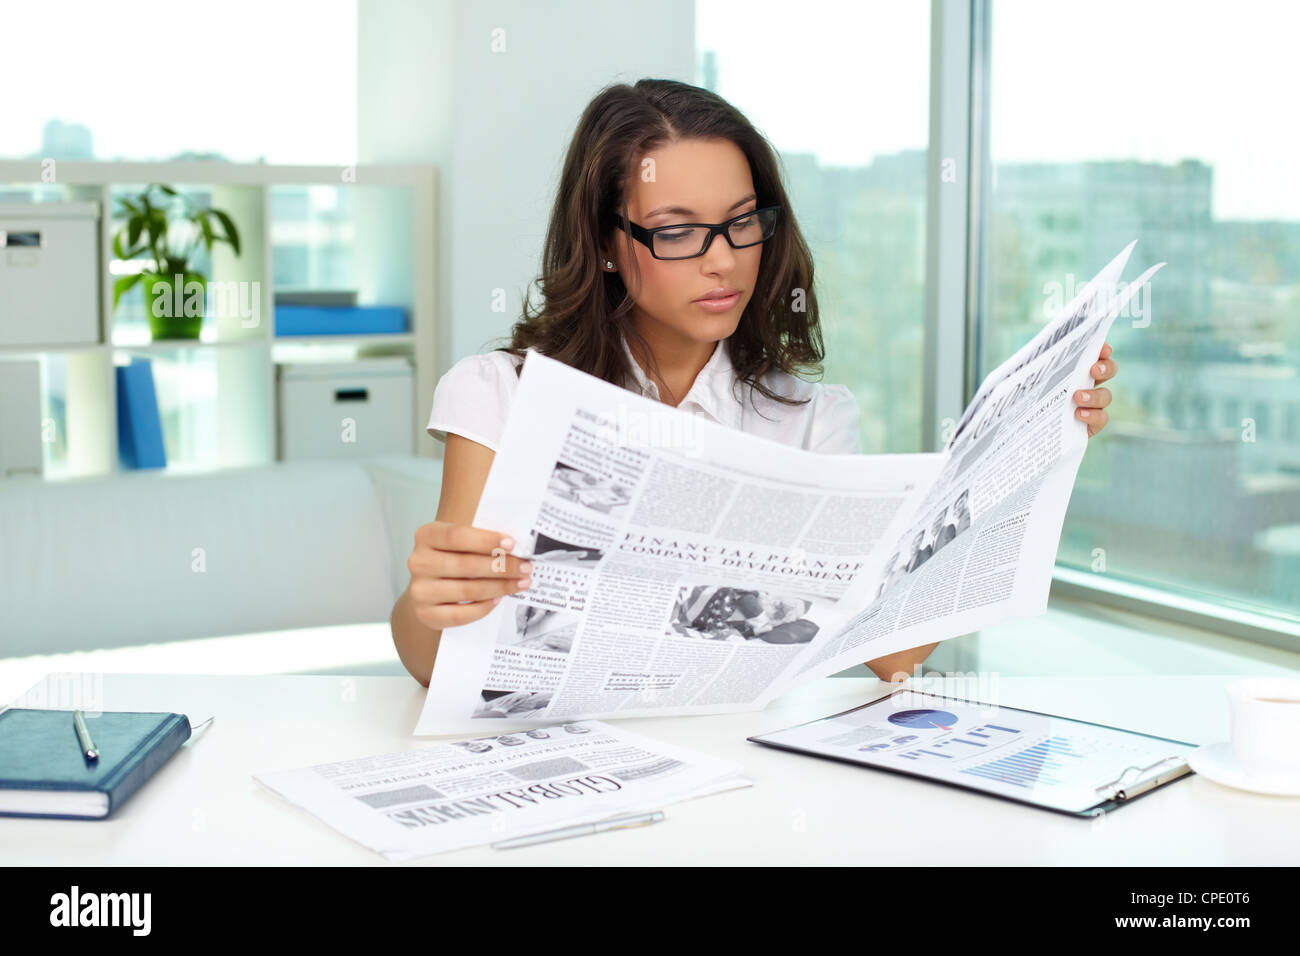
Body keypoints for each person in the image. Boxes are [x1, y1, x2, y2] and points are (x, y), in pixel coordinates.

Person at [391, 78, 1121, 687]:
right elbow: (433, 664)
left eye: (744, 223)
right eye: (677, 232)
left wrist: (1028, 453)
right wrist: (433, 604)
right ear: (607, 245)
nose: (724, 262)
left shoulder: (812, 417)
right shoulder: (498, 393)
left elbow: (894, 654)